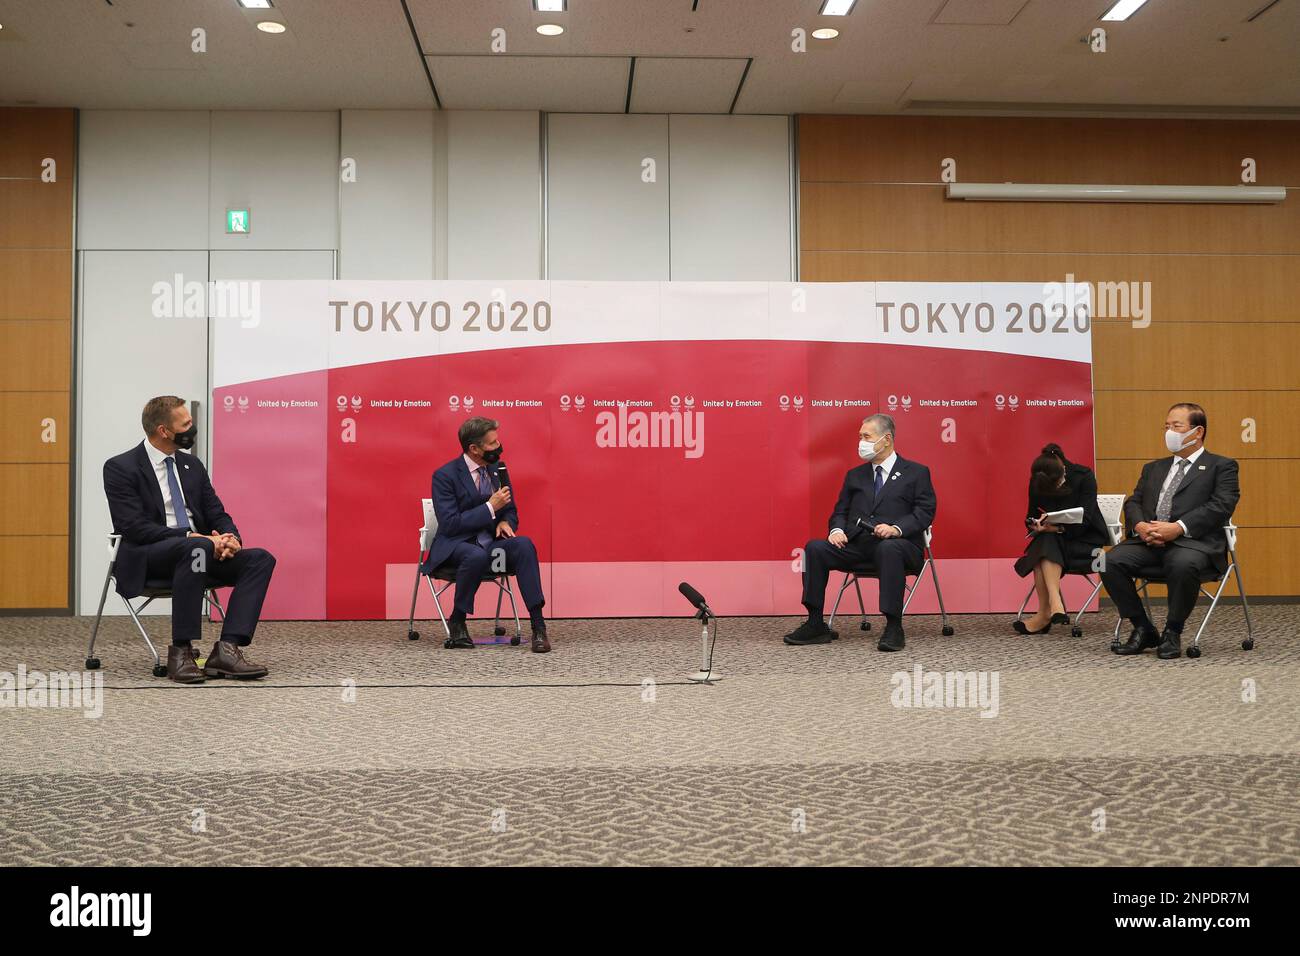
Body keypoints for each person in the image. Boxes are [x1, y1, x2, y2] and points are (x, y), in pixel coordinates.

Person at [103, 396, 276, 684]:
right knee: (195, 547)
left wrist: (229, 538)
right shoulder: (121, 467)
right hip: (151, 556)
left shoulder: (191, 465)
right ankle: (181, 652)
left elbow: (216, 512)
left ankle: (227, 650)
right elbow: (132, 527)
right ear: (163, 431)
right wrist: (193, 537)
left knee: (259, 559)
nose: (191, 428)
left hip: (200, 552)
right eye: (185, 424)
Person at [786, 414, 936, 652]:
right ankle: (815, 623)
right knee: (814, 548)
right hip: (858, 547)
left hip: (901, 548)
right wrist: (836, 530)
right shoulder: (855, 475)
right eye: (860, 437)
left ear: (886, 439)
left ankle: (894, 626)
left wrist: (896, 529)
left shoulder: (916, 473)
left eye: (867, 437)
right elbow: (840, 512)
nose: (861, 442)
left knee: (889, 548)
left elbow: (925, 512)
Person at [1101, 403, 1240, 660]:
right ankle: (1143, 629)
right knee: (1105, 561)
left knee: (1182, 563)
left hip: (1193, 544)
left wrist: (1178, 528)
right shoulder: (1153, 468)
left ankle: (1172, 632)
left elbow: (1221, 505)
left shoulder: (1221, 466)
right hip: (1149, 542)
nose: (1169, 432)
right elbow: (1134, 501)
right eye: (1166, 426)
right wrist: (1140, 526)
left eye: (1176, 426)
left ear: (1198, 432)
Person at [422, 417, 550, 653]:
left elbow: (510, 509)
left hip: (490, 545)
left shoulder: (497, 469)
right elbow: (450, 524)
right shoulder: (445, 476)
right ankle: (458, 620)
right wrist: (490, 508)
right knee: (475, 555)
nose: (499, 446)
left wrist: (504, 520)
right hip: (456, 547)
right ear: (474, 448)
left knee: (524, 545)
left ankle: (538, 626)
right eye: (493, 443)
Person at [1012, 443, 1108, 634]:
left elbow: (1086, 520)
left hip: (1086, 543)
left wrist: (1056, 528)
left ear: (1063, 470)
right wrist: (1035, 525)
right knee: (1045, 541)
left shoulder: (1084, 476)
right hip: (1053, 542)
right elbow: (1031, 514)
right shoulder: (1037, 480)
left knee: (1043, 547)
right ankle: (1054, 605)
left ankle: (1045, 612)